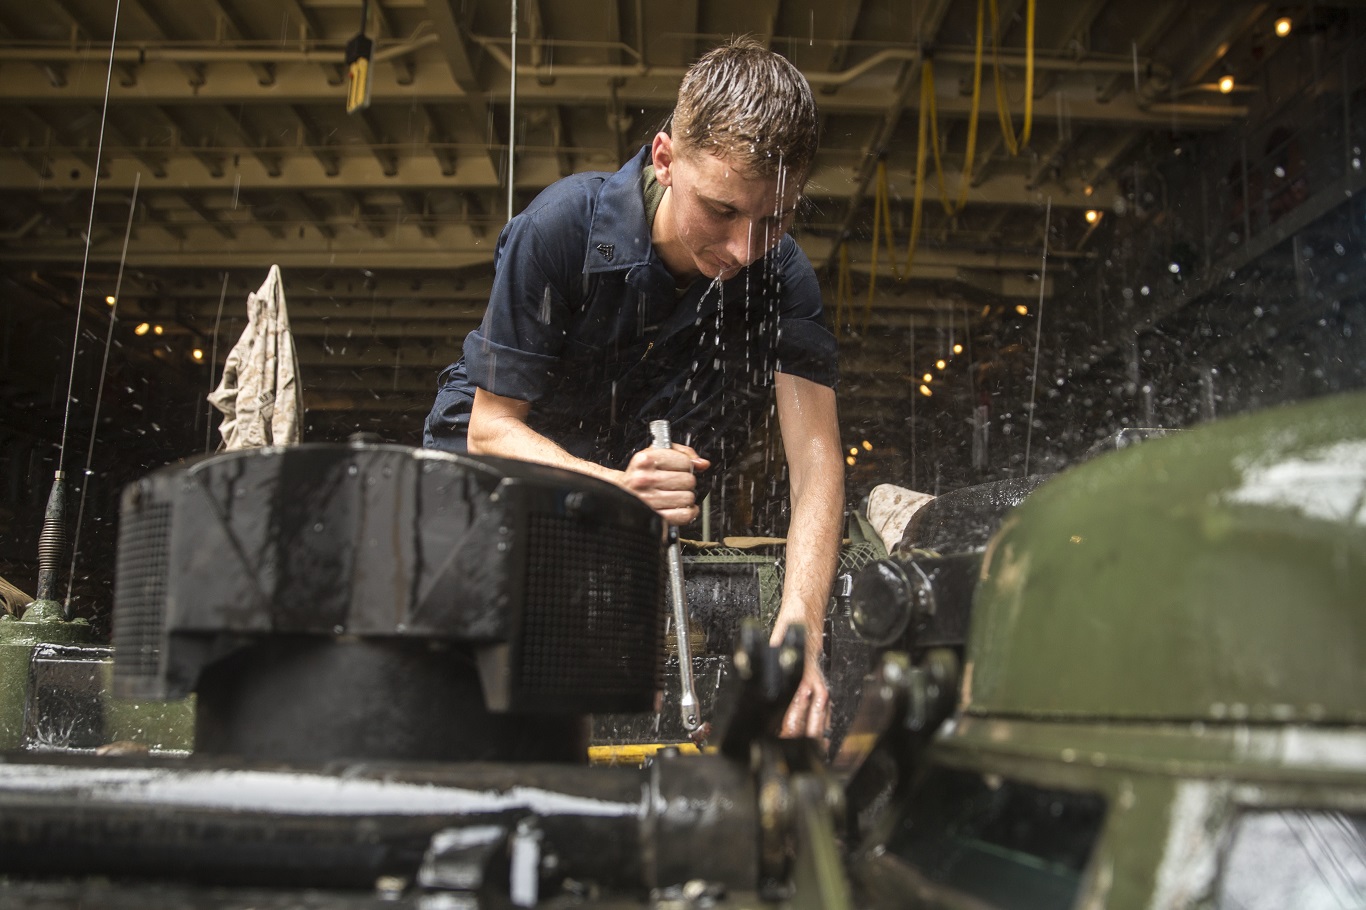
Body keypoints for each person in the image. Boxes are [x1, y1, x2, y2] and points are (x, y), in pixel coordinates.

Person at [423, 36, 843, 740]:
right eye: (721, 210)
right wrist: (619, 488)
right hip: (492, 476)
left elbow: (818, 464)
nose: (744, 250)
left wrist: (801, 637)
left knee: (609, 698)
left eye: (773, 219)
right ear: (665, 159)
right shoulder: (560, 227)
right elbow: (490, 430)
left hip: (621, 495)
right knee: (472, 693)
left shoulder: (783, 277)